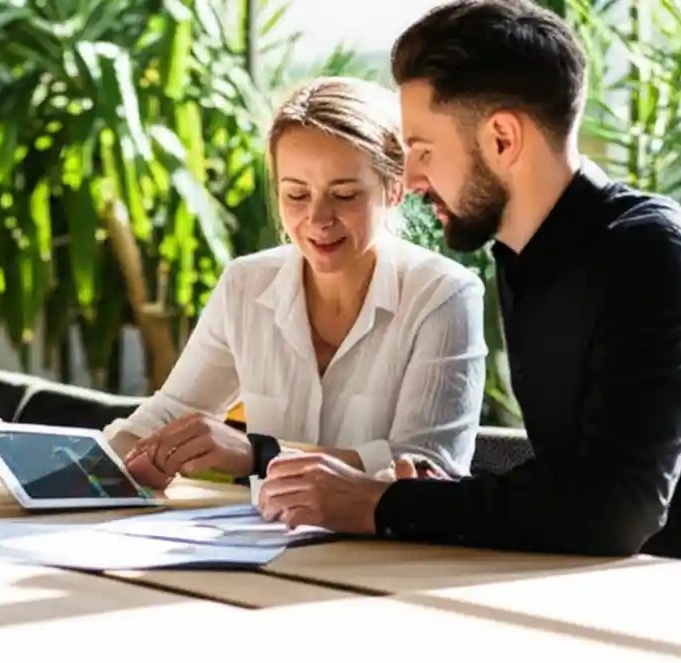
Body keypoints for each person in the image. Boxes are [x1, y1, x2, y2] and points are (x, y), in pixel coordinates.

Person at [257, 0, 681, 582]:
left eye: (423, 150)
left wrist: (380, 504)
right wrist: (435, 498)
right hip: (620, 597)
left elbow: (612, 510)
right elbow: (571, 485)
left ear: (502, 138)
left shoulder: (654, 256)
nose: (414, 178)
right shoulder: (521, 258)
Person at [104, 76, 487, 490]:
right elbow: (168, 415)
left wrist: (259, 454)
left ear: (393, 190)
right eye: (296, 195)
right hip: (258, 545)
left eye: (343, 195)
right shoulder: (245, 285)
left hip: (385, 550)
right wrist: (81, 469)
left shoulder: (443, 295)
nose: (318, 219)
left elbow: (426, 468)